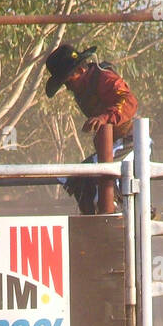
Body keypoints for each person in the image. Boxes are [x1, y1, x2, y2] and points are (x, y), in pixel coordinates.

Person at [43, 43, 139, 214]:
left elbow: (128, 101)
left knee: (99, 175)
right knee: (78, 179)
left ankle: (129, 215)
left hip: (131, 142)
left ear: (79, 71)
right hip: (114, 145)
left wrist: (105, 117)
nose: (68, 87)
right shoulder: (87, 84)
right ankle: (92, 225)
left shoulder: (104, 78)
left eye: (68, 82)